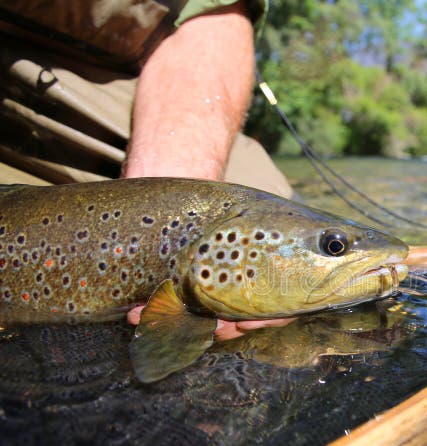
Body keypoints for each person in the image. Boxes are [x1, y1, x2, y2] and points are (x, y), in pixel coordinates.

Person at [0, 0, 294, 337]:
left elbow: (216, 14)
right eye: (334, 246)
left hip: (109, 64)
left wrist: (166, 199)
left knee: (266, 186)